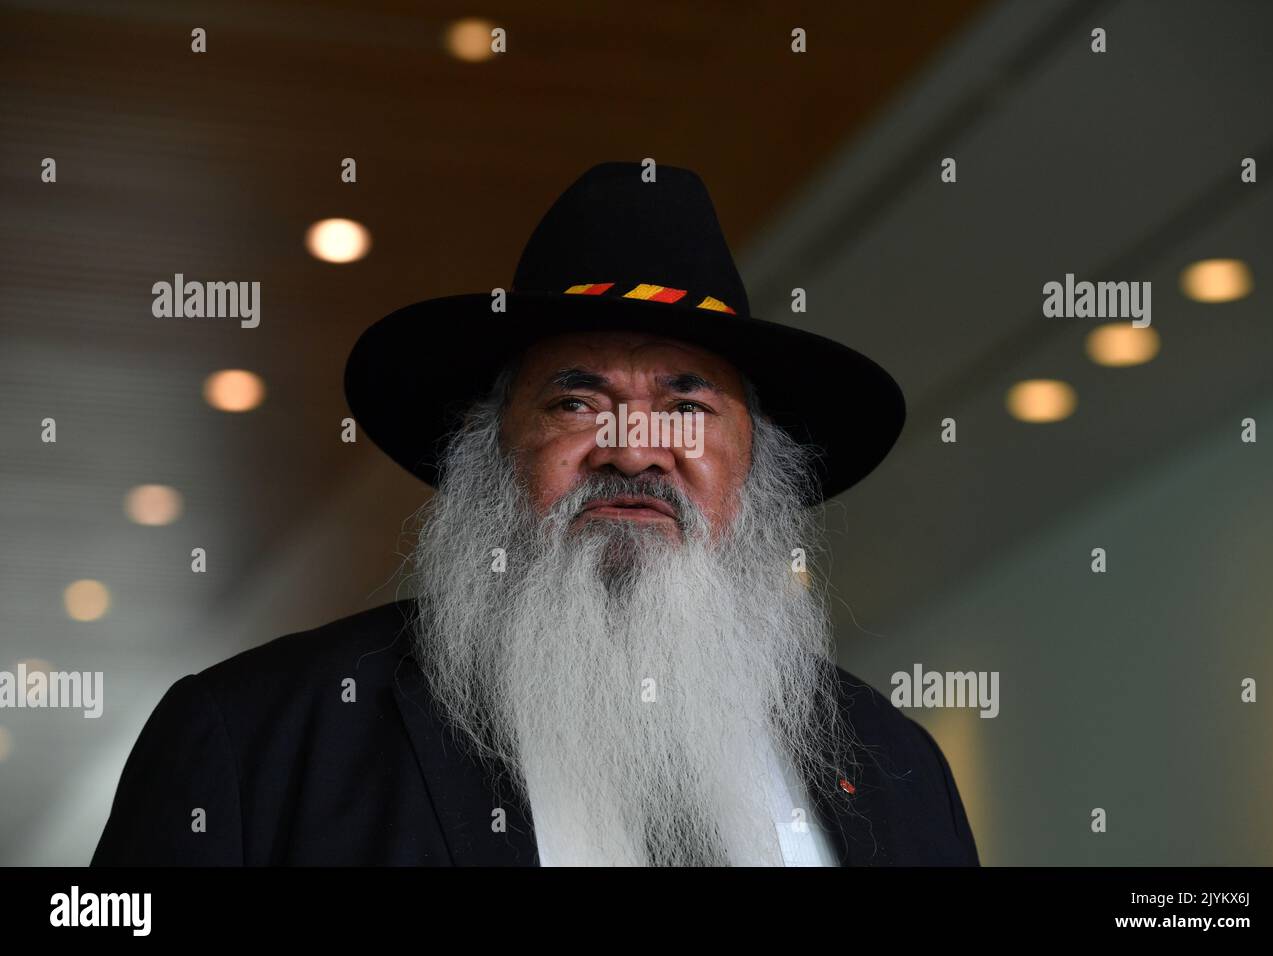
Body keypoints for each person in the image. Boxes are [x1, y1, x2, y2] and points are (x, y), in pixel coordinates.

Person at [92, 161, 978, 866]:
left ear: (756, 463)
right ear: (489, 449)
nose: (634, 448)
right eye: (575, 402)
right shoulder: (256, 738)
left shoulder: (895, 767)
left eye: (689, 406)